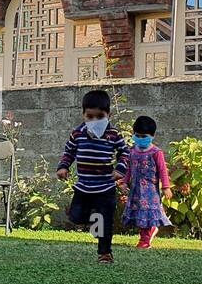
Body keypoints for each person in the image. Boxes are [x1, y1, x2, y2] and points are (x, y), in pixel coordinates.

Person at [56, 89, 129, 264]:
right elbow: (69, 152)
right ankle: (95, 221)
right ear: (83, 115)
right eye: (90, 116)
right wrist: (63, 166)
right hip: (84, 187)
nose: (94, 120)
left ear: (108, 115)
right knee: (76, 217)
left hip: (105, 187)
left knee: (106, 222)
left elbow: (125, 152)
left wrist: (120, 168)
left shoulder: (113, 134)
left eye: (100, 116)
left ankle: (105, 253)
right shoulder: (78, 133)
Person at [122, 115, 171, 249]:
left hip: (150, 192)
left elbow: (162, 170)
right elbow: (128, 169)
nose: (140, 139)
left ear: (152, 136)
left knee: (147, 213)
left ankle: (145, 239)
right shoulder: (131, 151)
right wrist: (125, 182)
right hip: (136, 190)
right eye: (138, 135)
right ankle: (148, 232)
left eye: (144, 136)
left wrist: (166, 187)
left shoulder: (156, 152)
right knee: (139, 215)